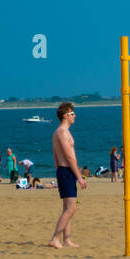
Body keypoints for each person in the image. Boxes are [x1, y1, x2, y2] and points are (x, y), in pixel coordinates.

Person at [49, 102, 86, 248]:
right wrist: (79, 176)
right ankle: (55, 238)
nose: (74, 116)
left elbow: (55, 156)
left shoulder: (60, 132)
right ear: (65, 116)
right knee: (71, 208)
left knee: (67, 208)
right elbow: (69, 156)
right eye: (72, 114)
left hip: (64, 170)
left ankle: (67, 239)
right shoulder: (62, 132)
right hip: (66, 171)